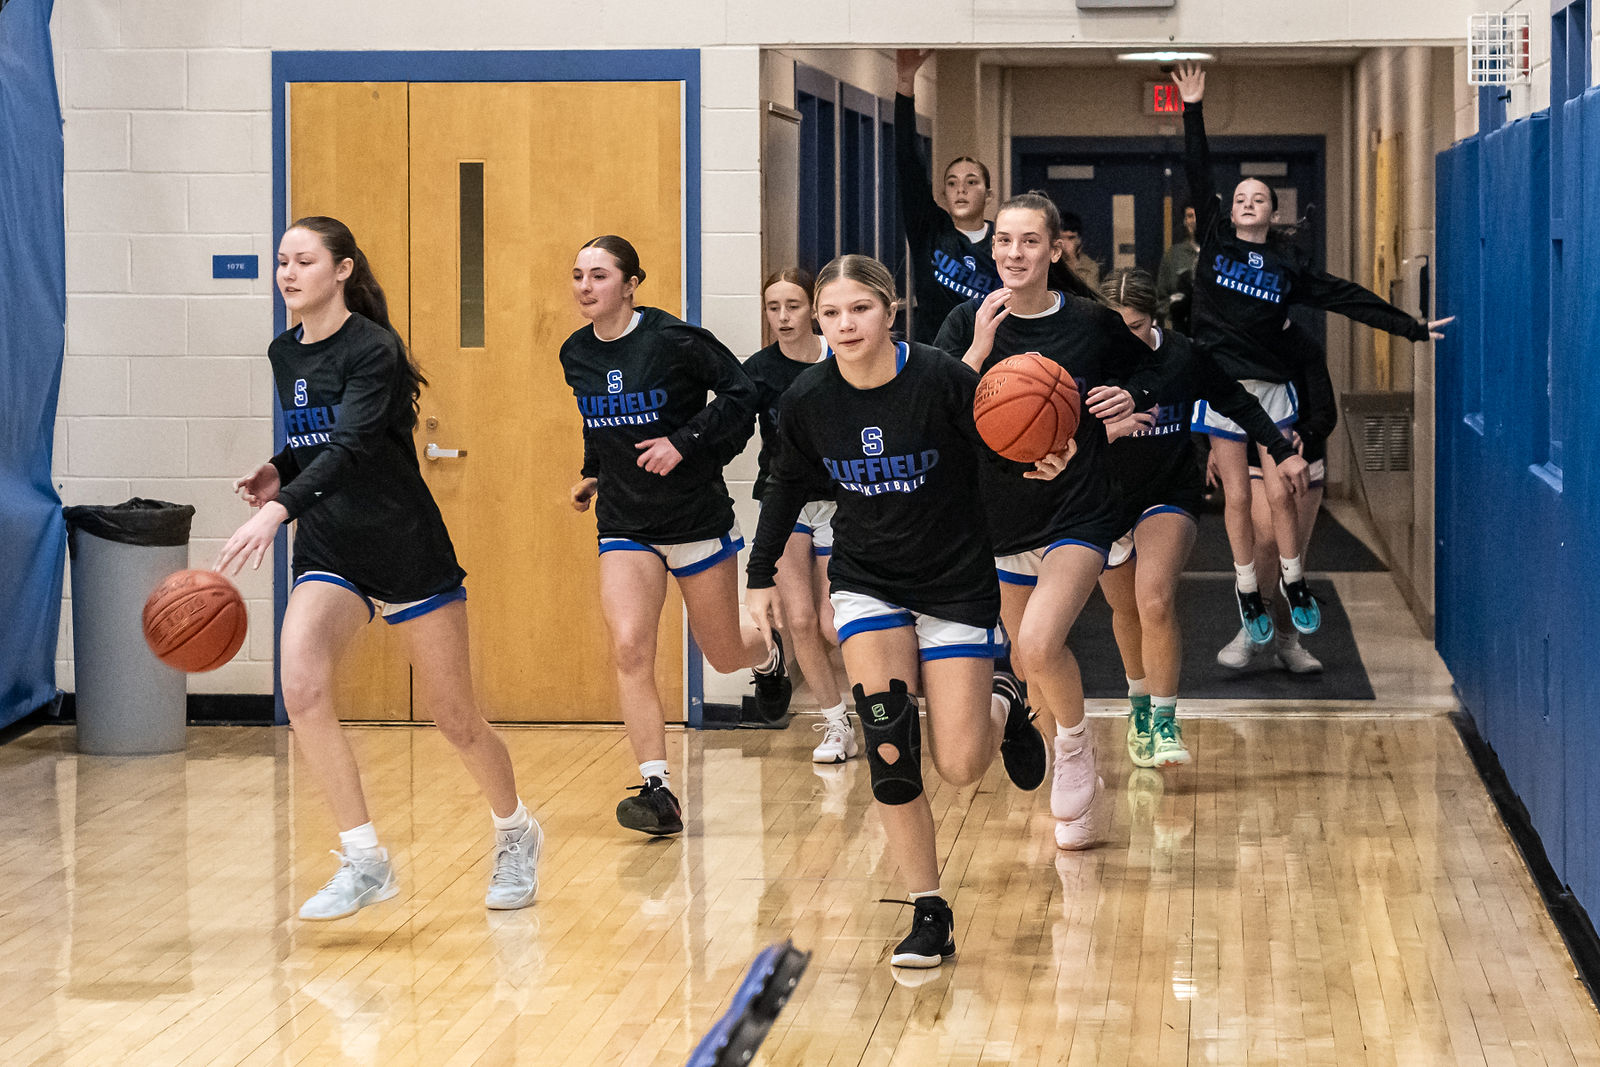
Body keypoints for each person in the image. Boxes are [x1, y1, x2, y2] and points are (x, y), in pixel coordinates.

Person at [217, 216, 541, 921]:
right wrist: (279, 469)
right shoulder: (285, 351)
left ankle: (516, 830)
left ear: (342, 269)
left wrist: (279, 511)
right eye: (282, 261)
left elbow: (356, 445)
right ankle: (365, 859)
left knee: (454, 718)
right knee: (301, 685)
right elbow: (315, 442)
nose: (288, 273)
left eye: (304, 260)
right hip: (332, 549)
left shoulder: (375, 350)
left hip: (403, 547)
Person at [745, 254, 1049, 971]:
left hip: (953, 580)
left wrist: (1042, 459)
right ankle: (928, 907)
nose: (844, 324)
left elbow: (1001, 455)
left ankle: (1005, 701)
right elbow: (785, 483)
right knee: (887, 744)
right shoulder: (809, 398)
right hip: (867, 581)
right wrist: (759, 575)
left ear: (889, 311)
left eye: (859, 309)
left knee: (962, 763)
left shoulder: (943, 378)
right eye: (831, 313)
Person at [1170, 61, 1451, 650]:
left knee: (1281, 493)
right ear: (1228, 210)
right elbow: (1199, 172)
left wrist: (1411, 328)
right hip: (1222, 386)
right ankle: (1248, 590)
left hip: (1271, 389)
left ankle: (1294, 582)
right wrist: (1191, 106)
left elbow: (1345, 297)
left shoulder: (1288, 266)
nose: (1248, 202)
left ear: (1274, 214)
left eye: (1259, 198)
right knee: (1238, 498)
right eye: (1241, 196)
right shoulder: (1215, 240)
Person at [934, 192, 1159, 850]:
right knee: (1032, 661)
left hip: (1078, 505)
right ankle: (1067, 755)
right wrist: (976, 348)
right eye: (1004, 241)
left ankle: (1075, 745)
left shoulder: (1090, 321)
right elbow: (935, 409)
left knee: (1033, 644)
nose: (1014, 253)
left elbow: (1160, 362)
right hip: (1002, 512)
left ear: (1055, 248)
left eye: (1030, 241)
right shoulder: (964, 323)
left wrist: (1132, 397)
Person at [561, 235, 790, 836]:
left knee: (721, 652)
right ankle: (657, 789)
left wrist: (684, 443)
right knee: (631, 647)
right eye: (578, 276)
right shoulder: (575, 353)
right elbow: (597, 421)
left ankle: (766, 654)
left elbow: (743, 394)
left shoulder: (674, 340)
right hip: (625, 524)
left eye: (600, 275)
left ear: (632, 283)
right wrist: (592, 473)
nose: (586, 286)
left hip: (693, 518)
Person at [1095, 268, 1307, 767]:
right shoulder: (1086, 356)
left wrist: (1281, 450)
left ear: (1154, 319)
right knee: (1125, 610)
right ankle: (1139, 707)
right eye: (1115, 326)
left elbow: (1240, 402)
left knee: (1155, 599)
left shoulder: (1183, 355)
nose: (1126, 337)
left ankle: (1167, 723)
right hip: (1103, 500)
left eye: (1136, 324)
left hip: (1167, 492)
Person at [744, 268, 853, 762]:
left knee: (836, 625)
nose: (783, 317)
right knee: (799, 620)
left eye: (792, 305)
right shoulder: (758, 370)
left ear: (813, 309)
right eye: (773, 307)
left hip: (840, 499)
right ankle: (834, 724)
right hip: (785, 500)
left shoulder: (841, 356)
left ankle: (875, 709)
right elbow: (727, 424)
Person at [1216, 318, 1334, 672]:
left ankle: (1288, 642)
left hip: (1298, 459)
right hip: (1250, 455)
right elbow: (1214, 396)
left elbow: (1325, 411)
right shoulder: (1227, 338)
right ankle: (1251, 629)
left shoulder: (1301, 344)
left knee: (1293, 553)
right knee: (1267, 536)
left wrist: (1306, 435)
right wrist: (1212, 445)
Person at [895, 49, 1000, 345]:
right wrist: (905, 84)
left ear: (988, 193)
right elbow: (909, 165)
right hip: (936, 355)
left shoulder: (1002, 240)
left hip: (994, 354)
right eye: (952, 183)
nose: (961, 189)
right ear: (943, 193)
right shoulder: (929, 230)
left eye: (971, 182)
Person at [1156, 203, 1200, 333]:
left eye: (1199, 215)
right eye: (1190, 216)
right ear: (1185, 221)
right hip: (1182, 331)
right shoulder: (1173, 255)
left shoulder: (1220, 254)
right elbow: (1160, 300)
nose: (1195, 221)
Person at [1058, 211, 1102, 291]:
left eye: (1071, 238)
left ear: (1079, 240)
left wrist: (1072, 264)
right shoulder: (1045, 265)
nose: (1064, 244)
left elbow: (1090, 299)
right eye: (1061, 238)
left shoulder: (1090, 268)